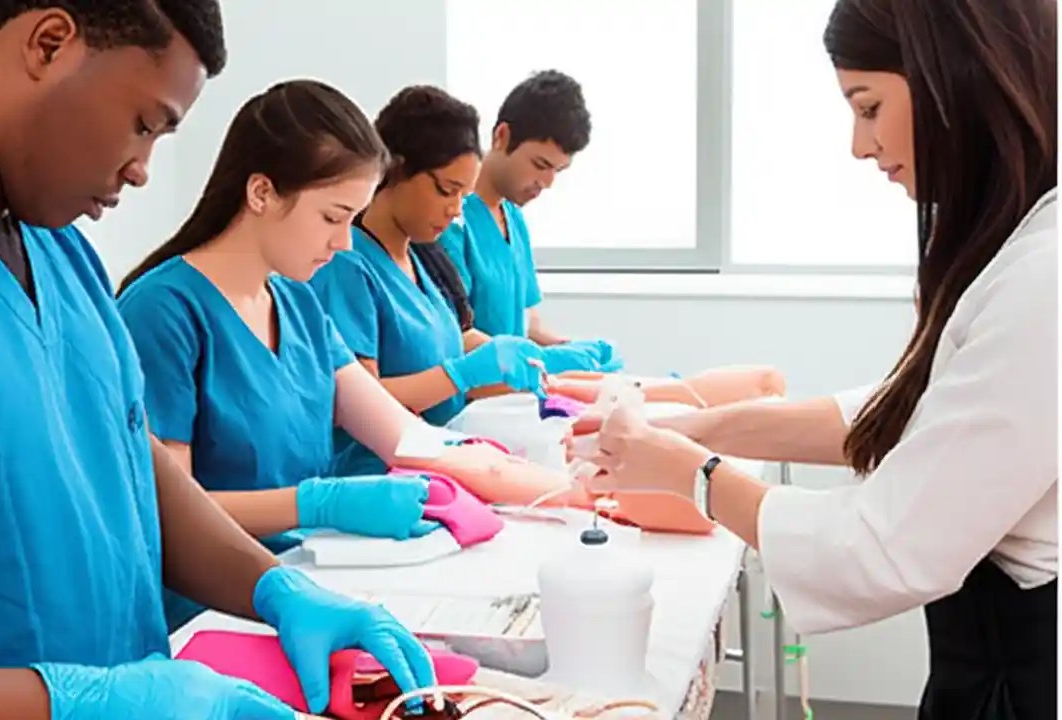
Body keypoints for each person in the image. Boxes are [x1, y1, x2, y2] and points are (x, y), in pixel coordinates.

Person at [0, 4, 434, 719]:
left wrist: (274, 589)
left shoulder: (61, 255)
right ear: (50, 43)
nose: (142, 169)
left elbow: (132, 459)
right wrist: (67, 701)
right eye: (144, 123)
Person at [580, 1, 1057, 717]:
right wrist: (703, 430)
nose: (860, 146)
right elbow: (927, 410)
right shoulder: (1023, 246)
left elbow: (885, 546)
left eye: (868, 107)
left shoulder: (1045, 278)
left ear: (955, 77)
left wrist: (692, 474)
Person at [115, 80, 451, 630]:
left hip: (306, 583)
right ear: (262, 193)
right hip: (211, 612)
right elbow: (171, 515)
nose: (345, 243)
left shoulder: (297, 301)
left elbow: (406, 438)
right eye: (332, 217)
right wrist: (316, 503)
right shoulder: (163, 312)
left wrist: (501, 474)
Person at [308, 85, 559, 476]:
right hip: (377, 479)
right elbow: (358, 402)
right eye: (446, 190)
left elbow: (451, 349)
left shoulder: (421, 262)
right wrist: (461, 374)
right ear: (394, 169)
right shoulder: (348, 266)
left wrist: (530, 362)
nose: (456, 209)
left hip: (438, 465)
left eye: (463, 194)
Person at [436, 70, 622, 376]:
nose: (546, 183)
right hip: (481, 392)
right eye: (540, 165)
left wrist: (569, 348)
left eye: (558, 172)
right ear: (502, 136)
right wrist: (535, 360)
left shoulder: (514, 219)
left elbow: (524, 318)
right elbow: (453, 333)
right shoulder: (450, 220)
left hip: (516, 390)